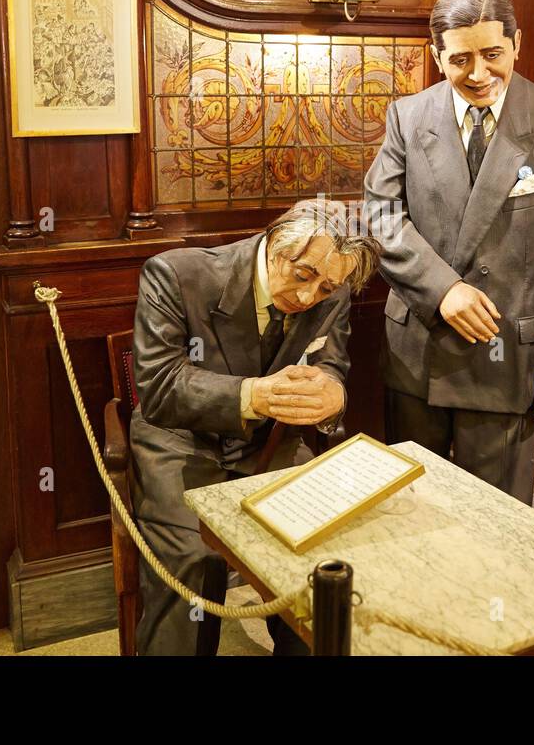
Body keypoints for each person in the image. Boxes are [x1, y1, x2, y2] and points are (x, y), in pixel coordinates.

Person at [363, 0, 534, 504]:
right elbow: (379, 215)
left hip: (508, 353)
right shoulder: (407, 116)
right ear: (436, 55)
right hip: (417, 349)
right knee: (409, 508)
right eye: (460, 59)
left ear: (517, 44)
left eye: (493, 54)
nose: (479, 74)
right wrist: (444, 289)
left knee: (497, 518)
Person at [130, 198, 380, 655]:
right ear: (273, 244)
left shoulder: (334, 289)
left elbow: (331, 366)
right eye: (302, 276)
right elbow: (160, 387)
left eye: (325, 288)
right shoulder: (175, 275)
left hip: (272, 443)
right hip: (181, 440)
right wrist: (254, 395)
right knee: (193, 561)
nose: (308, 298)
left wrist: (332, 395)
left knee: (323, 557)